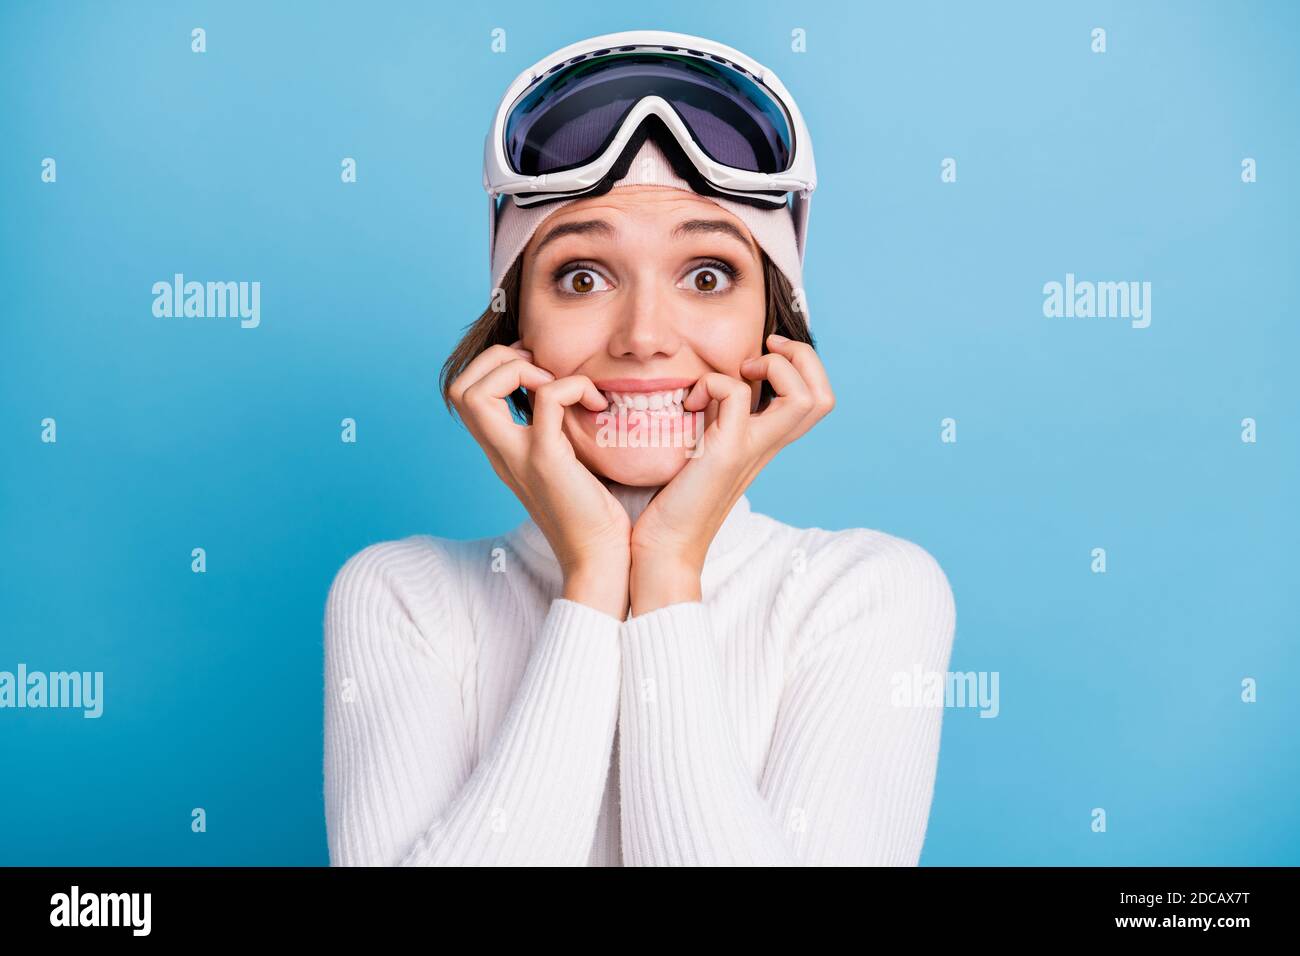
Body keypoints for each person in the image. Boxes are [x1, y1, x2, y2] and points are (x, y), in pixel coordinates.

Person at [324, 31, 956, 866]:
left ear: (774, 326)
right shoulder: (403, 598)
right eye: (584, 276)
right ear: (516, 328)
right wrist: (590, 581)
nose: (645, 339)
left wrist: (664, 572)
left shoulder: (865, 595)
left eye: (707, 276)